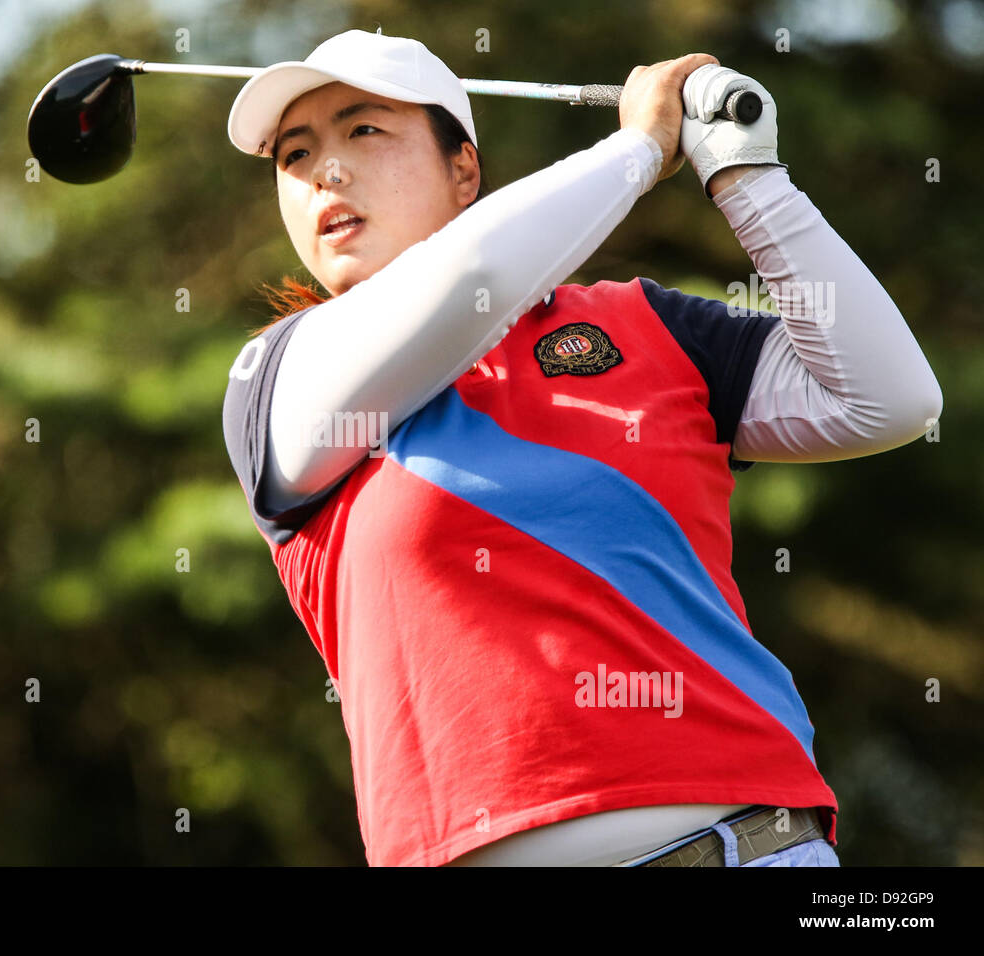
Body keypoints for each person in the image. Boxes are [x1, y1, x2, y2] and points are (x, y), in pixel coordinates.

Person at [220, 29, 942, 867]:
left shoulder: (640, 324)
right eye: (295, 154)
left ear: (464, 171)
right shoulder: (277, 380)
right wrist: (636, 150)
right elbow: (468, 275)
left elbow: (889, 397)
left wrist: (746, 174)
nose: (326, 172)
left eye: (364, 130)